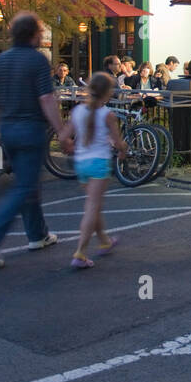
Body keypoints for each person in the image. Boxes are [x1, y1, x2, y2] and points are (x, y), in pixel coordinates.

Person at [0, 12, 69, 268]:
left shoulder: (1, 61)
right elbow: (46, 99)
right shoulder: (38, 61)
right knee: (24, 187)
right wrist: (61, 129)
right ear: (33, 34)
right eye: (39, 31)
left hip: (8, 131)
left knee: (28, 184)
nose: (41, 35)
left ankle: (38, 234)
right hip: (31, 130)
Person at [64, 72, 126, 269]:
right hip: (99, 163)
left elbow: (63, 137)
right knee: (92, 207)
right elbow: (118, 143)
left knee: (94, 205)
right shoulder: (108, 115)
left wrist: (72, 147)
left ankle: (104, 241)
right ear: (108, 93)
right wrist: (124, 150)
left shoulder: (77, 111)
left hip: (81, 163)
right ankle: (80, 252)